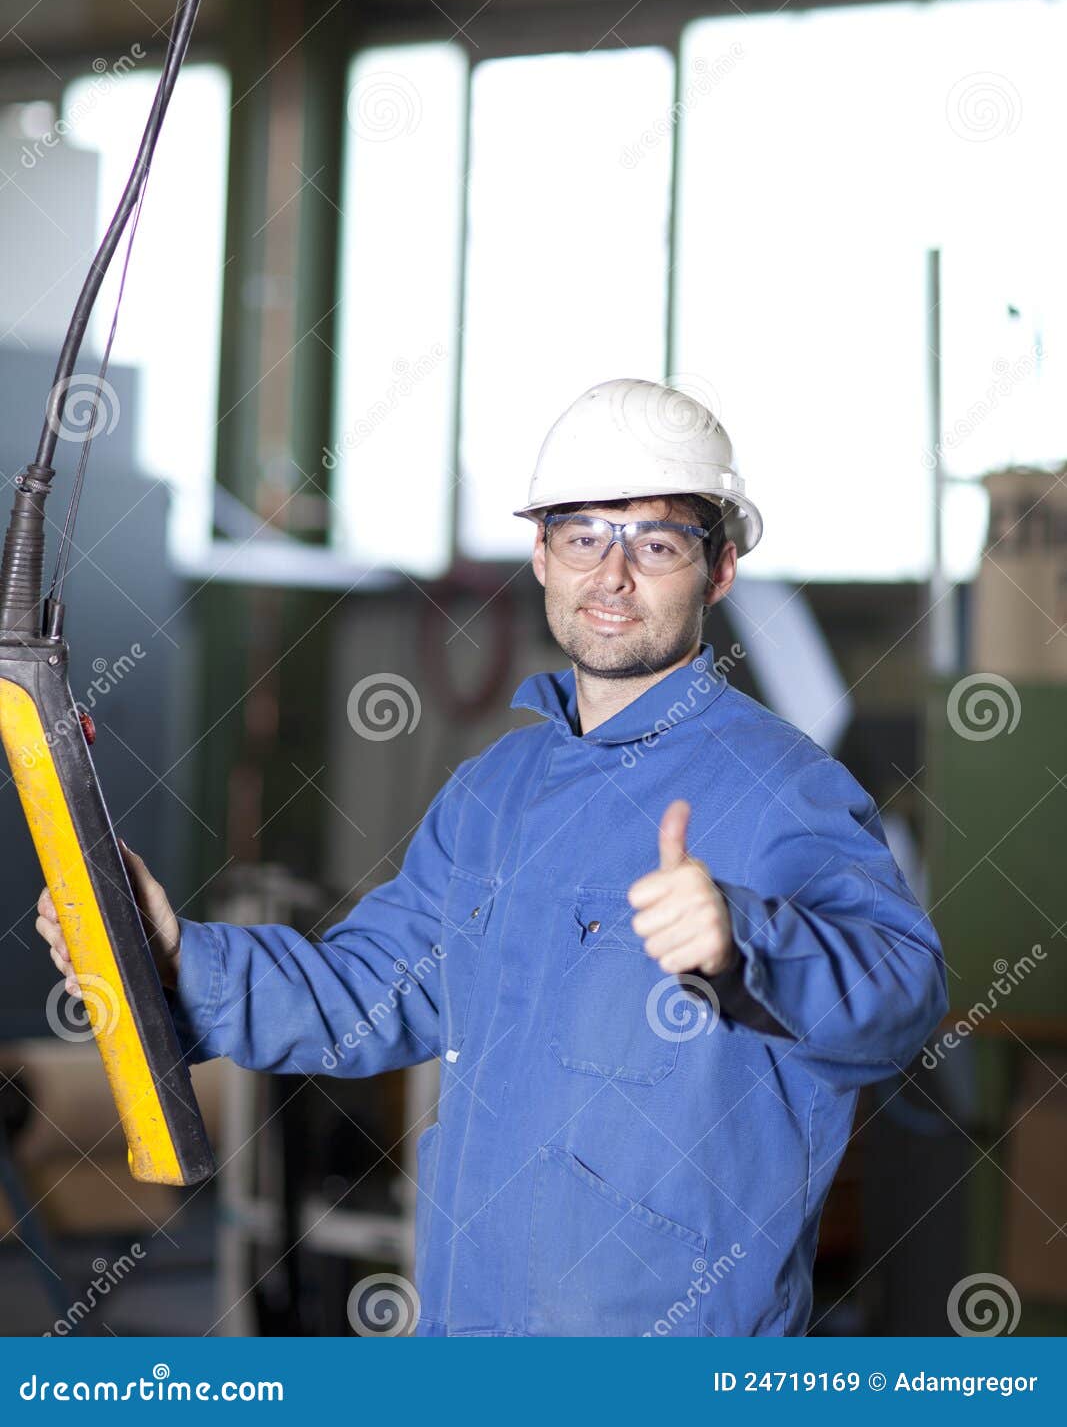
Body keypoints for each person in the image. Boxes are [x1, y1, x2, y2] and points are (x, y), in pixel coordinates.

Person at [36, 376, 948, 1338]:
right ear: (542, 557)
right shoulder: (493, 792)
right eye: (582, 536)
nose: (613, 574)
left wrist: (743, 942)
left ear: (718, 572)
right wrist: (177, 959)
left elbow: (903, 1000)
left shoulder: (779, 787)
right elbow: (368, 991)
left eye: (658, 542)